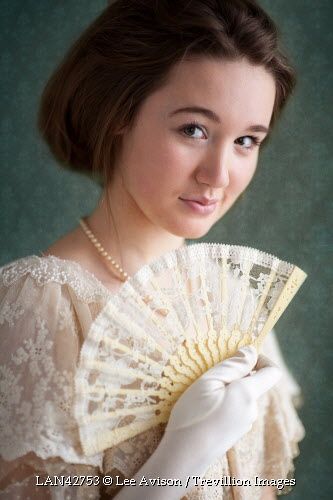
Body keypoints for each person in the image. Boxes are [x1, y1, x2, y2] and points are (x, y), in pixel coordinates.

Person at [0, 0, 305, 498]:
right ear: (120, 113)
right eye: (194, 130)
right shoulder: (44, 305)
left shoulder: (236, 304)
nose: (219, 176)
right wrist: (180, 457)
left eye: (247, 140)